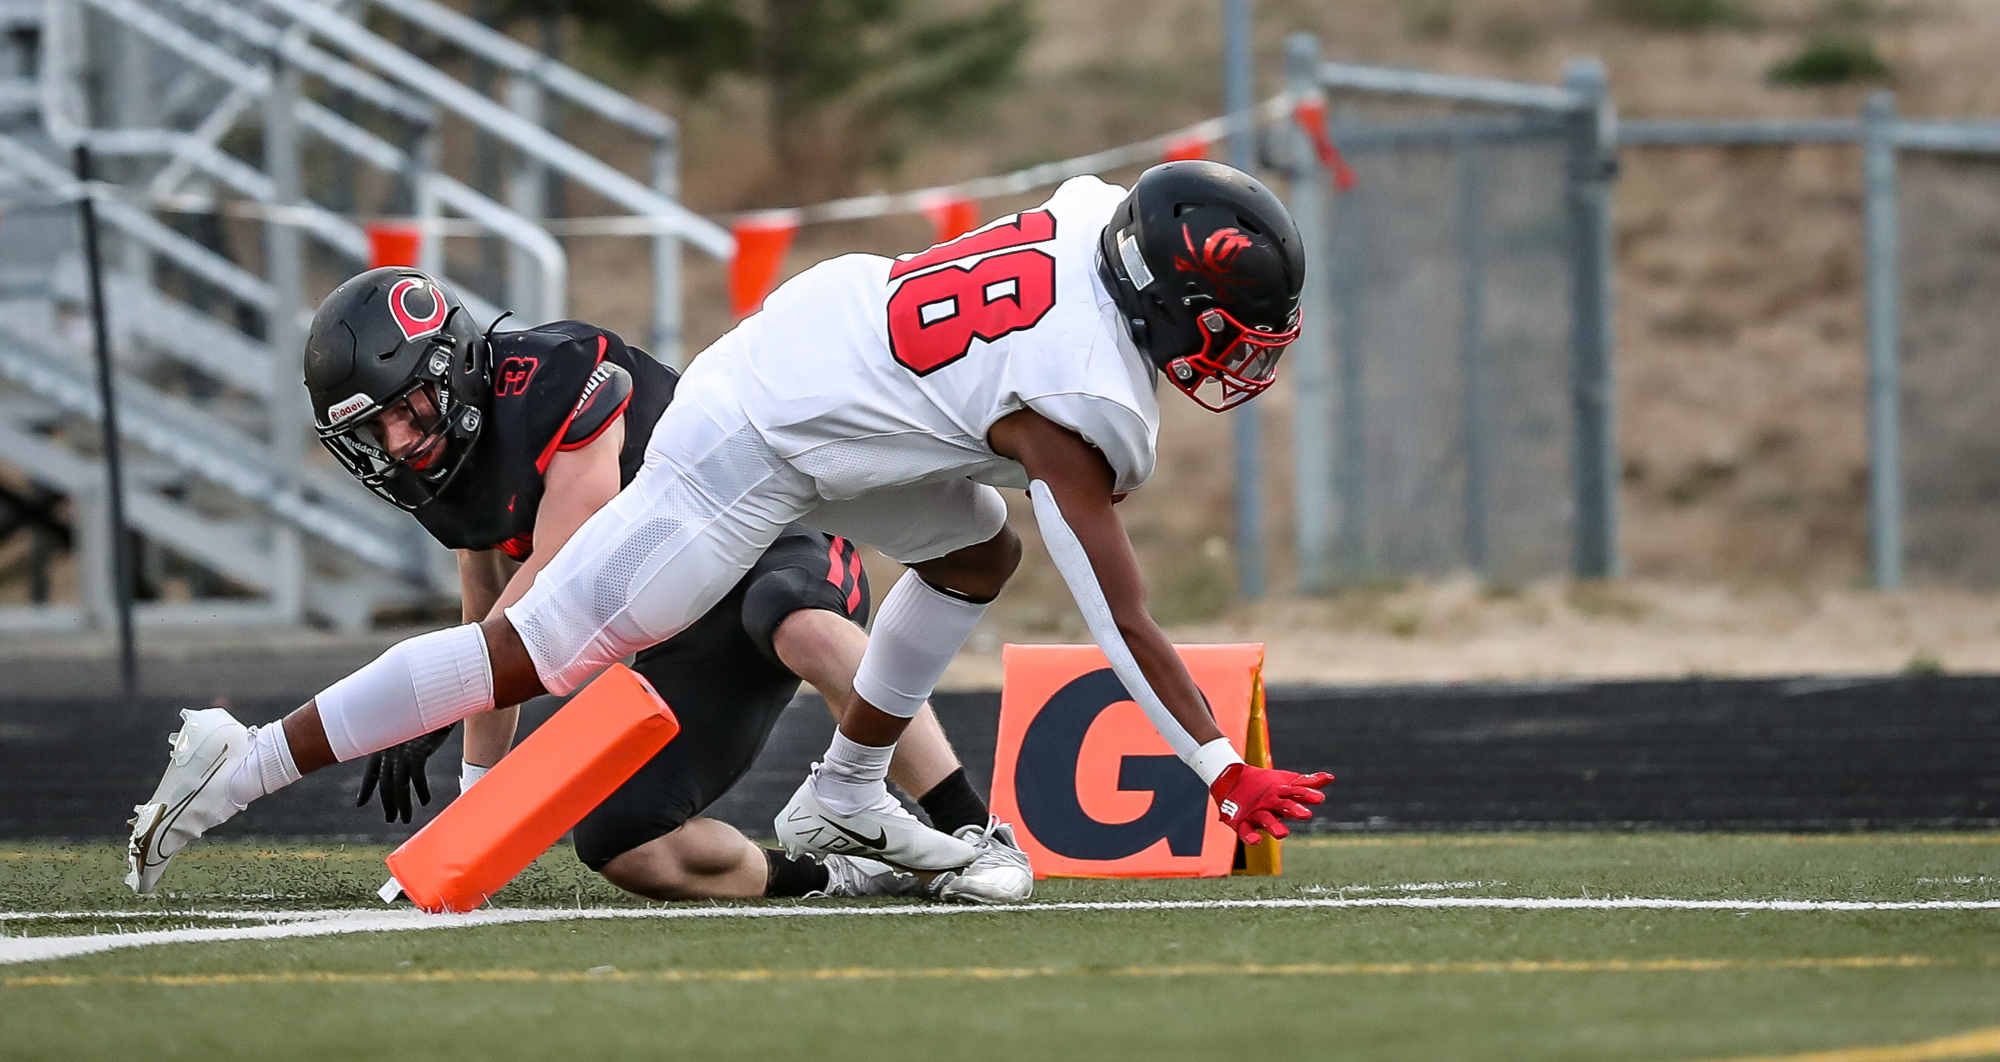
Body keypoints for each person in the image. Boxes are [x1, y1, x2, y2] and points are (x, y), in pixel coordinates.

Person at [126, 160, 1332, 896]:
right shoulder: (1083, 397)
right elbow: (1119, 613)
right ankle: (243, 758)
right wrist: (1217, 764)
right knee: (531, 652)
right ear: (1166, 298)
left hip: (841, 366)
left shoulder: (1091, 222)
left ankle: (846, 792)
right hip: (755, 432)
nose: (1235, 353)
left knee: (975, 545)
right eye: (1228, 326)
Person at [130, 269, 1029, 903]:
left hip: (773, 541)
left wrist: (431, 703)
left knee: (792, 618)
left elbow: (553, 590)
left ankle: (972, 826)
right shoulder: (444, 470)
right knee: (625, 847)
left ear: (451, 369)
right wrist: (475, 806)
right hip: (674, 624)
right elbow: (487, 613)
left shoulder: (565, 378)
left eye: (406, 409)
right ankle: (841, 871)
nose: (399, 445)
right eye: (377, 432)